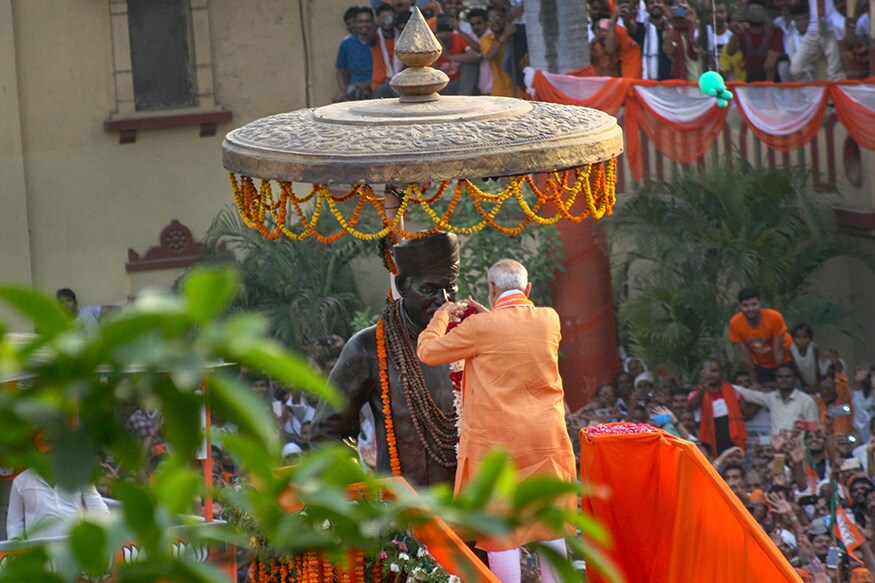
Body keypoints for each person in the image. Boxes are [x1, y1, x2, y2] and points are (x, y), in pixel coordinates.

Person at [417, 258, 575, 583]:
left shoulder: (480, 329)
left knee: (501, 529)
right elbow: (515, 338)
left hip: (499, 448)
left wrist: (441, 316)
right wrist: (489, 318)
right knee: (551, 523)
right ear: (528, 288)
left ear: (491, 289)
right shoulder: (550, 319)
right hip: (546, 441)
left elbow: (428, 352)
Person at [311, 232, 460, 488]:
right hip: (401, 515)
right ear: (402, 287)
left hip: (470, 512)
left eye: (451, 288)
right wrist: (362, 496)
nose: (443, 301)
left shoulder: (470, 339)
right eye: (430, 289)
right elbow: (327, 434)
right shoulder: (369, 347)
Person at [7, 467, 109, 539]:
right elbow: (14, 523)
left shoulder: (79, 475)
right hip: (38, 554)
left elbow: (98, 508)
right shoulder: (21, 480)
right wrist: (16, 549)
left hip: (74, 549)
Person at [728, 287, 791, 385]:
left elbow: (778, 351)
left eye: (754, 304)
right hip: (761, 364)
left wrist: (780, 380)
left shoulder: (774, 317)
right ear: (740, 306)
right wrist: (754, 382)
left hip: (785, 359)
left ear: (760, 303)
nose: (750, 309)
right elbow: (746, 356)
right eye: (746, 305)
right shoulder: (735, 323)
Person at [733, 363, 819, 435]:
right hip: (777, 452)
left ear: (795, 379)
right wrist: (724, 385)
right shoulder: (771, 398)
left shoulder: (806, 401)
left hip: (799, 452)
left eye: (787, 376)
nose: (783, 380)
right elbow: (748, 394)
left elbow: (814, 430)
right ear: (776, 379)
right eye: (780, 377)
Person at [689, 359, 749, 456]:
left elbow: (746, 412)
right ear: (702, 373)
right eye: (709, 371)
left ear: (721, 372)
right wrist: (703, 388)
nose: (712, 375)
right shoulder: (696, 393)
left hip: (732, 440)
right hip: (708, 441)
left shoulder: (732, 390)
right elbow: (692, 406)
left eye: (715, 371)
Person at [725, 2, 785, 81]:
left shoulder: (774, 32)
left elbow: (770, 66)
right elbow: (730, 51)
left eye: (758, 10)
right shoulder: (743, 32)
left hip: (771, 82)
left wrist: (769, 88)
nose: (754, 13)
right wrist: (736, 33)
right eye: (752, 11)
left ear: (765, 13)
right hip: (750, 80)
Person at [335, 7, 376, 102]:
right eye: (360, 21)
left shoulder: (380, 41)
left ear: (373, 23)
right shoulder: (347, 44)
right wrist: (344, 92)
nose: (364, 25)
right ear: (355, 24)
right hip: (355, 87)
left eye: (367, 21)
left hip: (377, 85)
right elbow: (340, 71)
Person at [480, 6, 518, 97]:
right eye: (491, 19)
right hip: (499, 92)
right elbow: (489, 56)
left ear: (505, 19)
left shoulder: (516, 37)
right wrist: (505, 35)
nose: (495, 22)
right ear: (487, 22)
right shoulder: (486, 39)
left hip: (518, 90)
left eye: (498, 18)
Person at [371, 3, 400, 98]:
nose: (387, 21)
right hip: (380, 84)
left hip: (399, 83)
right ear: (378, 19)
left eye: (389, 17)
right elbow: (370, 40)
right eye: (383, 18)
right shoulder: (375, 35)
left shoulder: (401, 35)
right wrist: (375, 25)